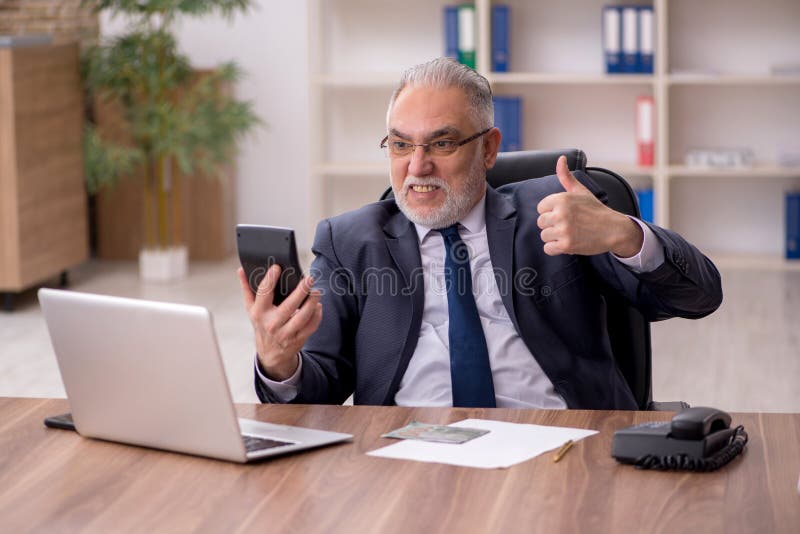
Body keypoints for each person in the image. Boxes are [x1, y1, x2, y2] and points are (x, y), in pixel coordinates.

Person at [237, 57, 722, 410]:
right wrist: (279, 363)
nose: (417, 166)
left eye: (442, 143)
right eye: (401, 144)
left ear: (489, 149)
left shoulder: (556, 211)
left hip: (560, 447)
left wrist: (625, 235)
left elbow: (699, 297)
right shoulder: (350, 241)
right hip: (406, 456)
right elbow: (315, 392)